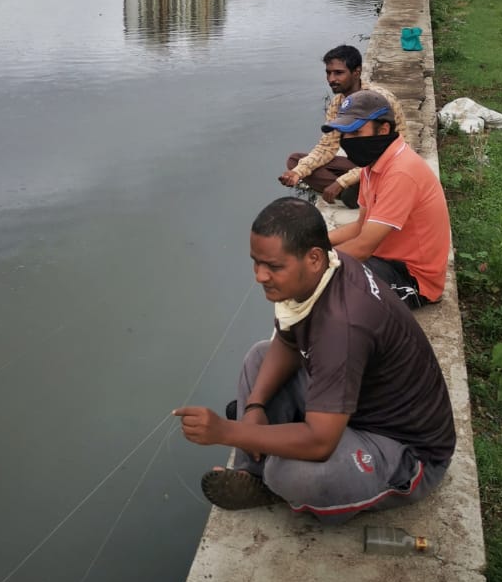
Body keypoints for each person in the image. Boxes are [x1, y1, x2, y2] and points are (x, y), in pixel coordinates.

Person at [174, 198, 455, 520]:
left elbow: (321, 442)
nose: (260, 276)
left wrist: (226, 432)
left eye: (274, 267)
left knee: (289, 473)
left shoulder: (343, 325)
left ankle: (273, 482)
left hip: (404, 449)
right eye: (256, 263)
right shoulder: (331, 268)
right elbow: (288, 340)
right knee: (259, 357)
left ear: (313, 258)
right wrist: (254, 408)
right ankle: (251, 472)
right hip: (356, 406)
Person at [323, 90, 450, 307]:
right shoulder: (372, 165)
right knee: (322, 280)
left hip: (413, 279)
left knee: (327, 286)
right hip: (385, 260)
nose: (348, 142)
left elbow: (362, 247)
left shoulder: (401, 171)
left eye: (355, 133)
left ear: (383, 130)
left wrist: (309, 260)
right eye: (345, 134)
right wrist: (313, 243)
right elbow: (359, 228)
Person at [278, 45, 407, 210]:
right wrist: (298, 172)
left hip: (387, 165)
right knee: (295, 161)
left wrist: (342, 181)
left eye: (338, 73)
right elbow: (327, 146)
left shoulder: (379, 101)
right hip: (361, 162)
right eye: (328, 73)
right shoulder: (338, 103)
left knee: (355, 174)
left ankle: (358, 191)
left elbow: (395, 152)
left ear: (356, 72)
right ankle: (359, 191)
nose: (331, 79)